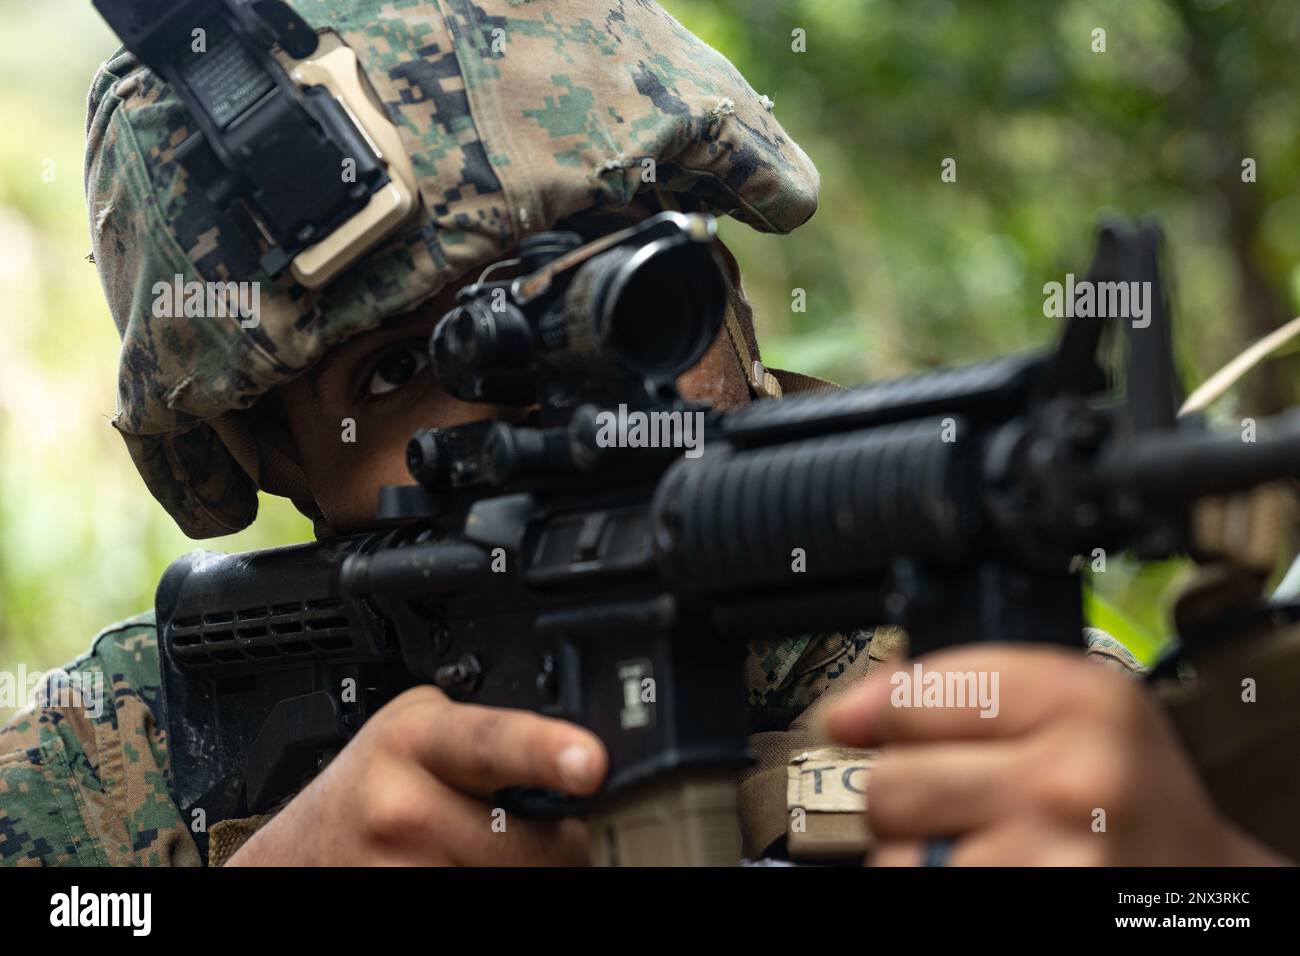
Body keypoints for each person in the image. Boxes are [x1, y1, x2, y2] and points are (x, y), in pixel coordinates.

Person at [3, 0, 1250, 868]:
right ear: (272, 459)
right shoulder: (100, 770)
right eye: (399, 369)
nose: (550, 399)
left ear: (729, 295)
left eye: (617, 292)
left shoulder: (1009, 719)